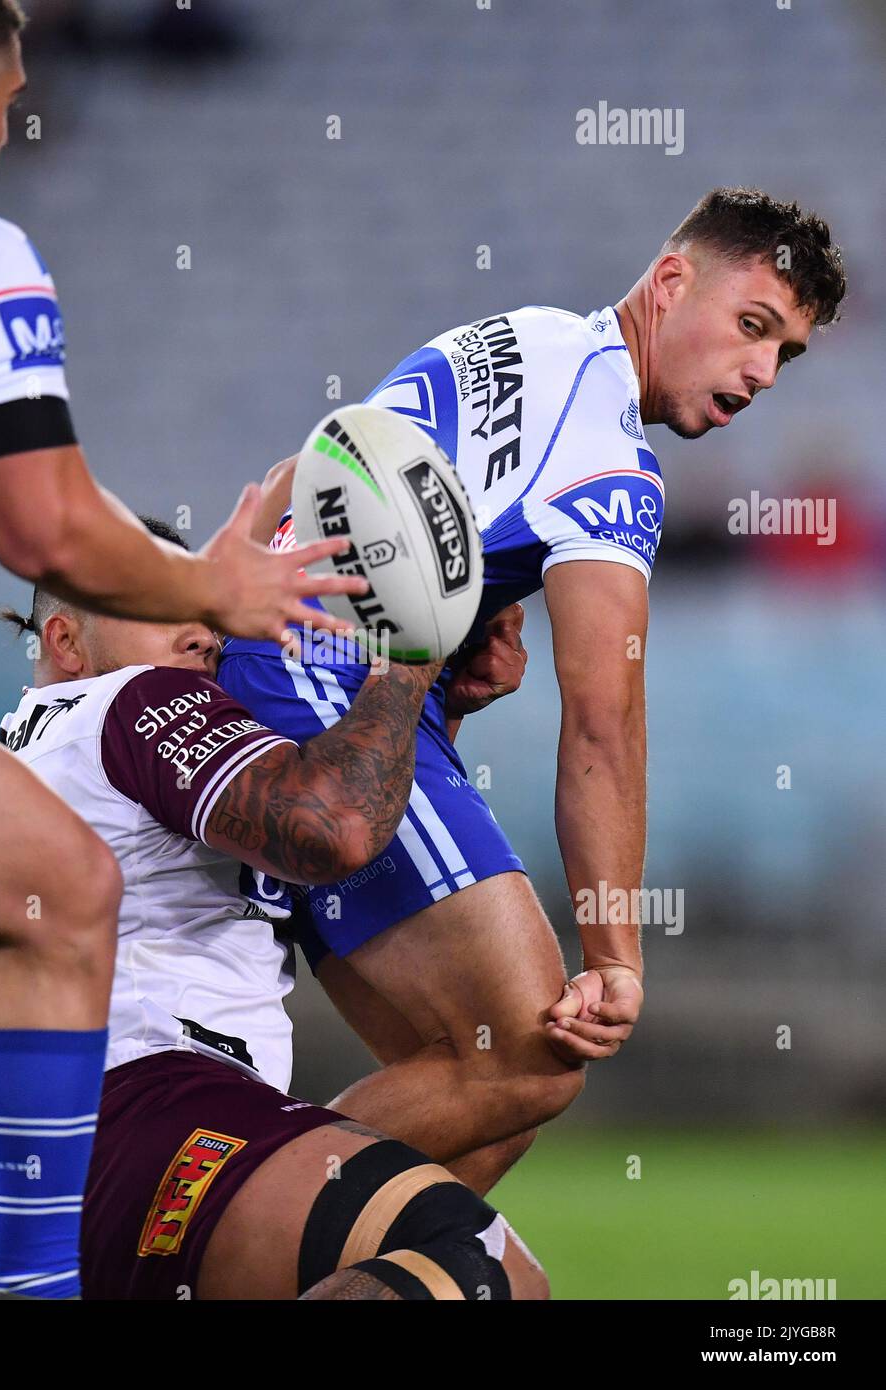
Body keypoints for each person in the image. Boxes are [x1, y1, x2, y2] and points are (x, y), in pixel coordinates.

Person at [0, 0, 362, 1299]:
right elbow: (37, 524)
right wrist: (214, 581)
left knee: (53, 881)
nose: (7, 139)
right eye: (7, 108)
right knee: (62, 889)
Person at [215, 188, 847, 1195]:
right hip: (331, 691)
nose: (763, 372)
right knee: (529, 1052)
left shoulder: (530, 334)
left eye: (787, 353)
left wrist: (461, 610)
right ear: (672, 282)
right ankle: (190, 1239)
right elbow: (605, 725)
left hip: (282, 665)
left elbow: (338, 453)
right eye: (754, 327)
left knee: (481, 1119)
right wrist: (617, 954)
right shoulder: (612, 463)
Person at [0, 517, 542, 1300]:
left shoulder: (43, 740)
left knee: (489, 1108)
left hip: (95, 1150)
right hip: (157, 1107)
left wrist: (431, 715)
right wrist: (404, 666)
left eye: (204, 598)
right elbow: (334, 830)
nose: (201, 627)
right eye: (159, 599)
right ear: (65, 638)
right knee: (475, 1260)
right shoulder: (142, 698)